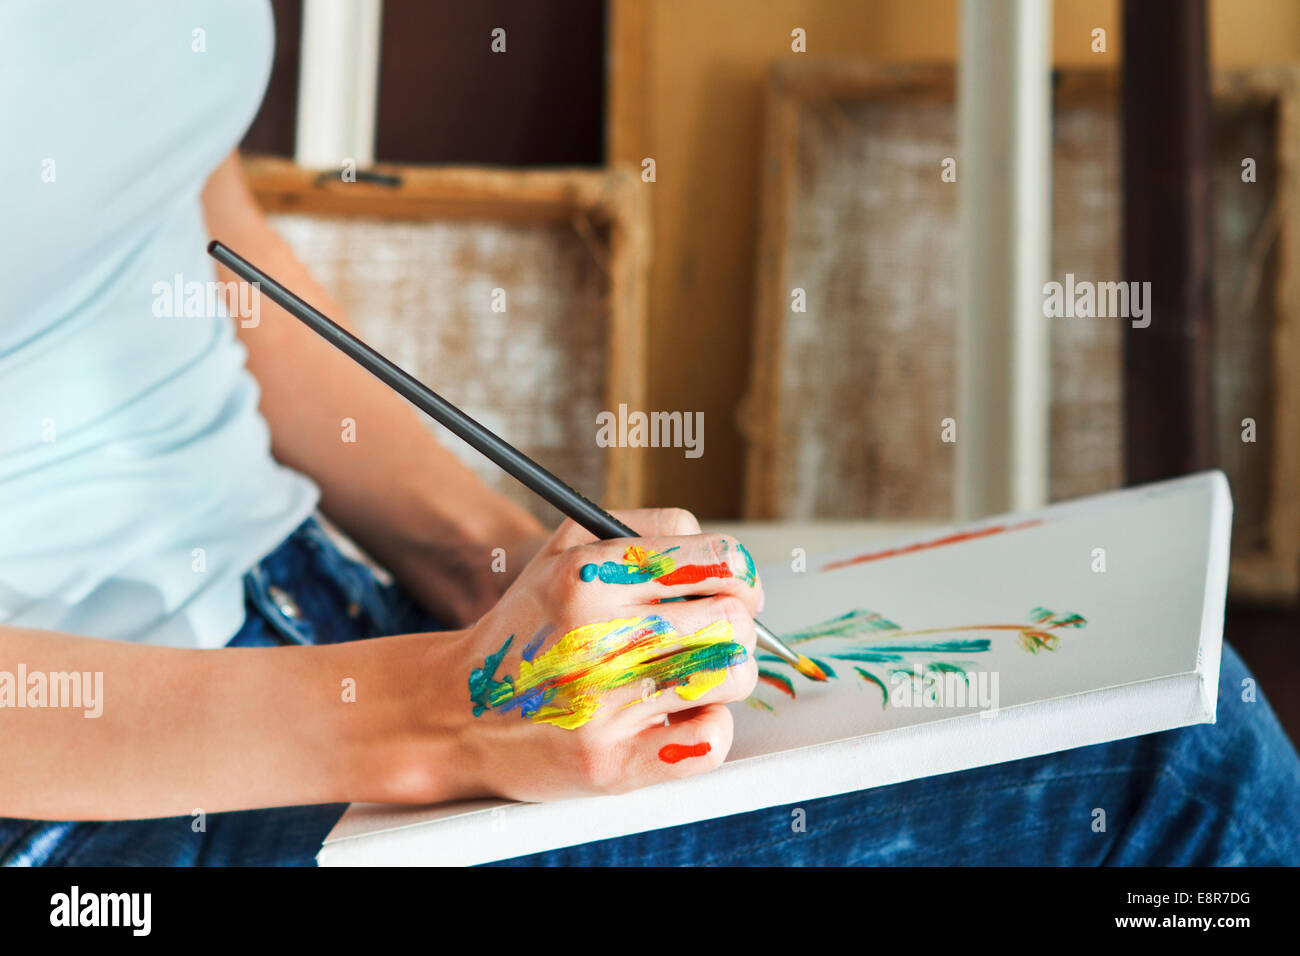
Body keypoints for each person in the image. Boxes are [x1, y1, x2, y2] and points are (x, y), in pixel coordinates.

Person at [2, 0, 1298, 867]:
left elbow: (200, 235)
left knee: (1124, 685)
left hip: (310, 602)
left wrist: (488, 561)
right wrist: (442, 714)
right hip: (96, 794)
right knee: (1172, 778)